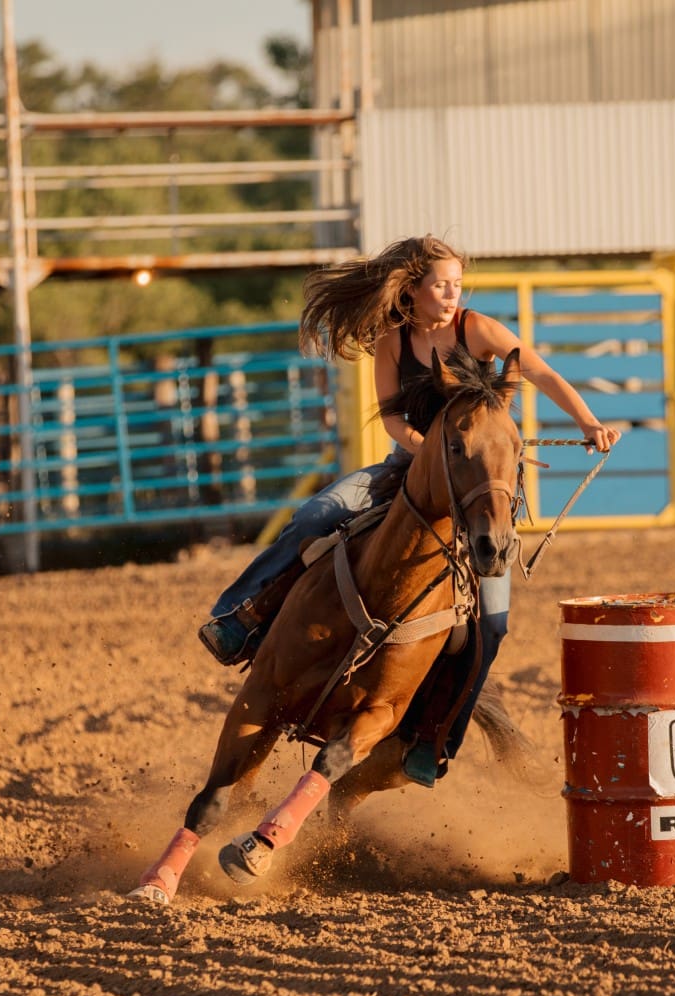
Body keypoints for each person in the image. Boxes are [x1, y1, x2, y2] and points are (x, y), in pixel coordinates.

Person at [197, 235, 621, 782]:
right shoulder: (393, 340)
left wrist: (587, 421)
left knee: (492, 627)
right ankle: (241, 616)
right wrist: (431, 458)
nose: (450, 294)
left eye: (457, 285)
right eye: (440, 285)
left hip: (474, 490)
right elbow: (393, 419)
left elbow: (540, 372)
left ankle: (433, 739)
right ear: (414, 288)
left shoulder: (477, 329)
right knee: (315, 516)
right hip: (409, 468)